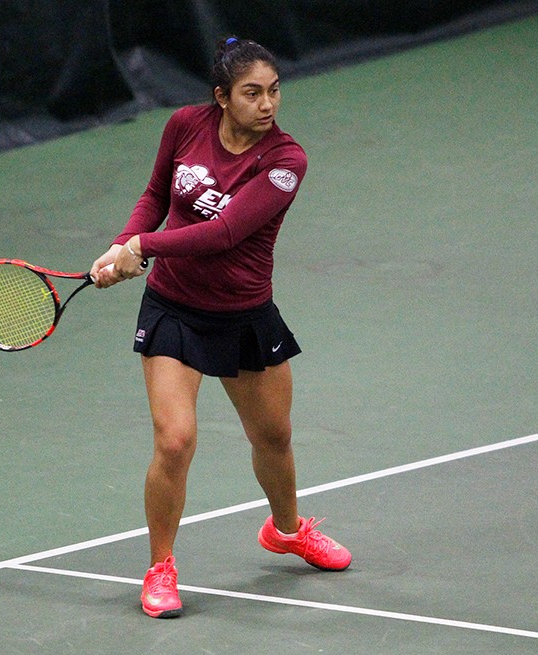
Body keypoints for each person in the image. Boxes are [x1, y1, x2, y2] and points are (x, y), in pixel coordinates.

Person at [89, 36, 351, 619]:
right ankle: (160, 568)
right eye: (252, 93)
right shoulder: (186, 125)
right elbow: (157, 193)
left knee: (274, 438)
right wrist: (120, 242)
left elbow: (224, 233)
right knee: (174, 441)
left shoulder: (286, 161)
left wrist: (142, 245)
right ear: (221, 97)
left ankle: (286, 530)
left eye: (274, 91)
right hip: (174, 310)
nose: (268, 104)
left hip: (244, 314)